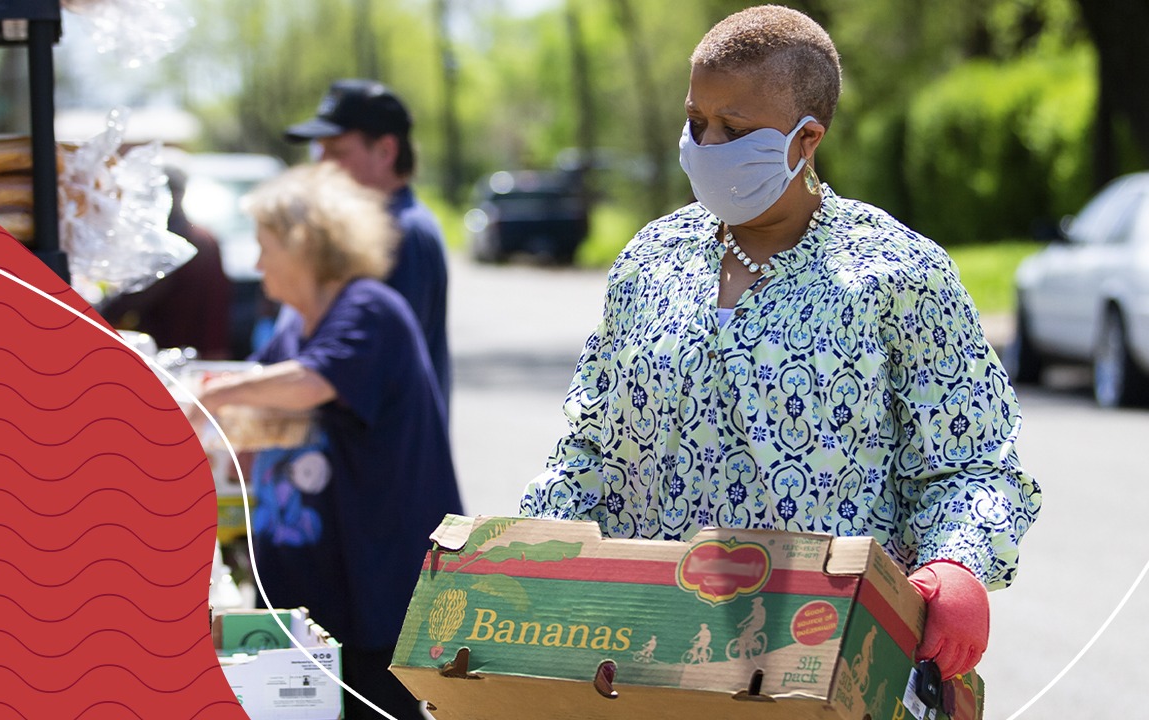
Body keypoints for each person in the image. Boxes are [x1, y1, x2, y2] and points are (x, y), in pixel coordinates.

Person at [519, 6, 1041, 681]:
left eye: (733, 129)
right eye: (695, 122)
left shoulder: (897, 274)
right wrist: (527, 554)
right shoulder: (651, 260)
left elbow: (972, 465)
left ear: (807, 138)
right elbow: (589, 449)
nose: (706, 145)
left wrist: (958, 566)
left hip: (826, 660)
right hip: (649, 656)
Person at [194, 163, 462, 720]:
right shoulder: (294, 325)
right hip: (309, 597)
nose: (257, 262)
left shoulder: (369, 309)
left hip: (375, 596)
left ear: (303, 245)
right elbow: (257, 422)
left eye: (266, 246)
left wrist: (206, 394)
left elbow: (312, 382)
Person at [284, 78, 451, 408]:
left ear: (386, 151)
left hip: (391, 454)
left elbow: (369, 365)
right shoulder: (377, 225)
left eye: (337, 151)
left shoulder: (402, 231)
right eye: (321, 151)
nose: (323, 165)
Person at [102, 165, 232, 359]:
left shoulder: (173, 244)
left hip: (176, 355)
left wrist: (101, 311)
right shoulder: (204, 237)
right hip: (206, 352)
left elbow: (138, 295)